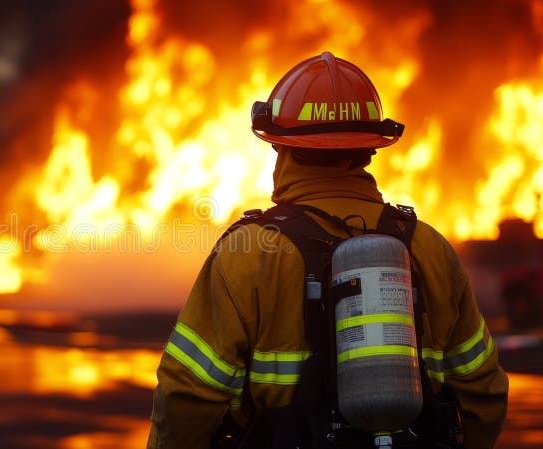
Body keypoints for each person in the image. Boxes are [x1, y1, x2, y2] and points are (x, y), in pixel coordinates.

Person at [146, 52, 508, 449]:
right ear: (369, 150)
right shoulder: (430, 249)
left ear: (282, 148)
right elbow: (484, 389)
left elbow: (186, 397)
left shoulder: (247, 254)